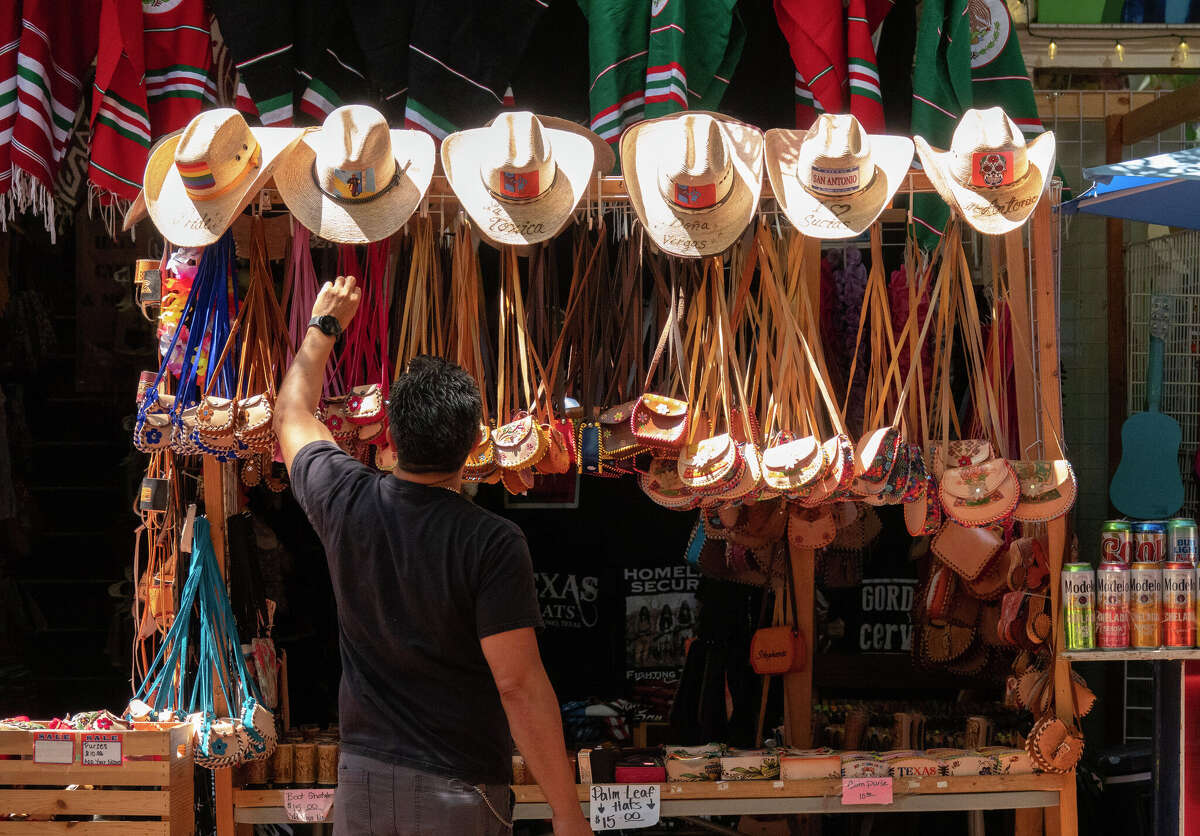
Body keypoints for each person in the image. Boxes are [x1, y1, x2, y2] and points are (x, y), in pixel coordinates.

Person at [274, 275, 591, 836]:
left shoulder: (344, 498)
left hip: (364, 784)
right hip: (457, 791)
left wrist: (323, 328)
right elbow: (518, 684)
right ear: (474, 446)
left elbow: (292, 415)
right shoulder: (490, 541)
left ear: (389, 433)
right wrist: (567, 812)